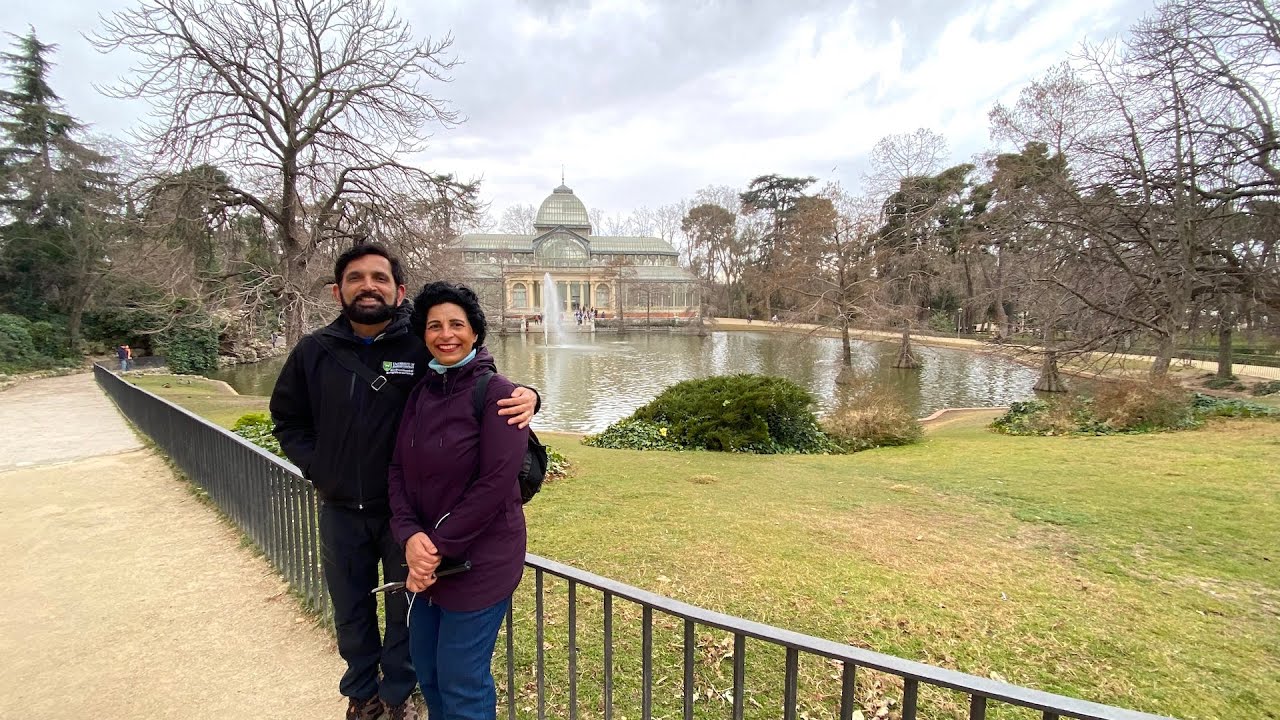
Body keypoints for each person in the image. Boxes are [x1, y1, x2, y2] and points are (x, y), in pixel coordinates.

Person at [270, 244, 539, 720]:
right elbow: (287, 419)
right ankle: (361, 695)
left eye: (379, 277)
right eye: (356, 278)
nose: (367, 286)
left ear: (400, 291)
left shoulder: (419, 346)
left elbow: (479, 372)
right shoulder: (315, 351)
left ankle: (397, 698)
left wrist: (531, 395)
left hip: (409, 520)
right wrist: (320, 467)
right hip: (347, 507)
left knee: (407, 620)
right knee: (351, 609)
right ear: (338, 291)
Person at [388, 281, 529, 720]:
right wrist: (410, 536)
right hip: (428, 562)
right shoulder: (421, 393)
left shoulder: (500, 393)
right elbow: (396, 470)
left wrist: (433, 549)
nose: (446, 334)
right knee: (429, 675)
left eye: (456, 324)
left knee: (461, 683)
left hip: (480, 562)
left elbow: (494, 485)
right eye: (434, 326)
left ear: (475, 332)